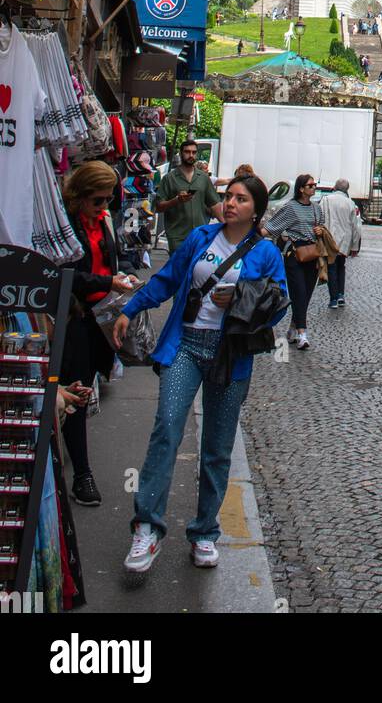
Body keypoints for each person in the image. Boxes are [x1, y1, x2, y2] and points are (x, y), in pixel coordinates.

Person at [116, 175, 286, 572]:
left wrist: (239, 298)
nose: (230, 204)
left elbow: (279, 303)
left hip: (231, 357)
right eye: (228, 197)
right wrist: (130, 308)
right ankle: (147, 527)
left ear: (255, 210)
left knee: (216, 449)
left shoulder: (265, 252)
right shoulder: (200, 238)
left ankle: (206, 532)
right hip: (186, 345)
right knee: (167, 429)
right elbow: (167, 279)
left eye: (240, 200)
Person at [60, 162, 141, 507]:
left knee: (85, 389)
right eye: (97, 200)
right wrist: (108, 281)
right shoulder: (64, 223)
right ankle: (82, 474)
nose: (104, 207)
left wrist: (124, 277)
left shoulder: (104, 220)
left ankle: (72, 464)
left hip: (101, 318)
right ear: (79, 196)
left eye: (108, 200)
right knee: (75, 392)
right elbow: (67, 275)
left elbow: (113, 259)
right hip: (74, 318)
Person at [265, 174, 324, 349]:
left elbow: (322, 226)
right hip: (294, 255)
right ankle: (302, 333)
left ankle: (292, 327)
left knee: (305, 294)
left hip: (312, 254)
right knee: (298, 291)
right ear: (301, 189)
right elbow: (272, 226)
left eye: (314, 185)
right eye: (310, 185)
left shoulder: (316, 208)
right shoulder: (290, 208)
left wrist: (320, 230)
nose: (313, 188)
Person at [154, 139, 223, 254]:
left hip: (200, 234)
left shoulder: (203, 178)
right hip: (177, 236)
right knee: (179, 270)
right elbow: (159, 207)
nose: (191, 155)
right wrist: (176, 200)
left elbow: (214, 204)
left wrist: (226, 224)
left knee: (197, 270)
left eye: (194, 152)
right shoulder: (169, 178)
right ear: (181, 153)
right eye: (187, 152)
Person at [320, 179, 362, 308]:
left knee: (331, 267)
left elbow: (320, 218)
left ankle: (333, 299)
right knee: (341, 266)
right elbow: (355, 227)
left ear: (334, 187)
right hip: (345, 240)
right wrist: (355, 246)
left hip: (330, 238)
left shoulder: (326, 200)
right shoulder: (350, 203)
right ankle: (340, 295)